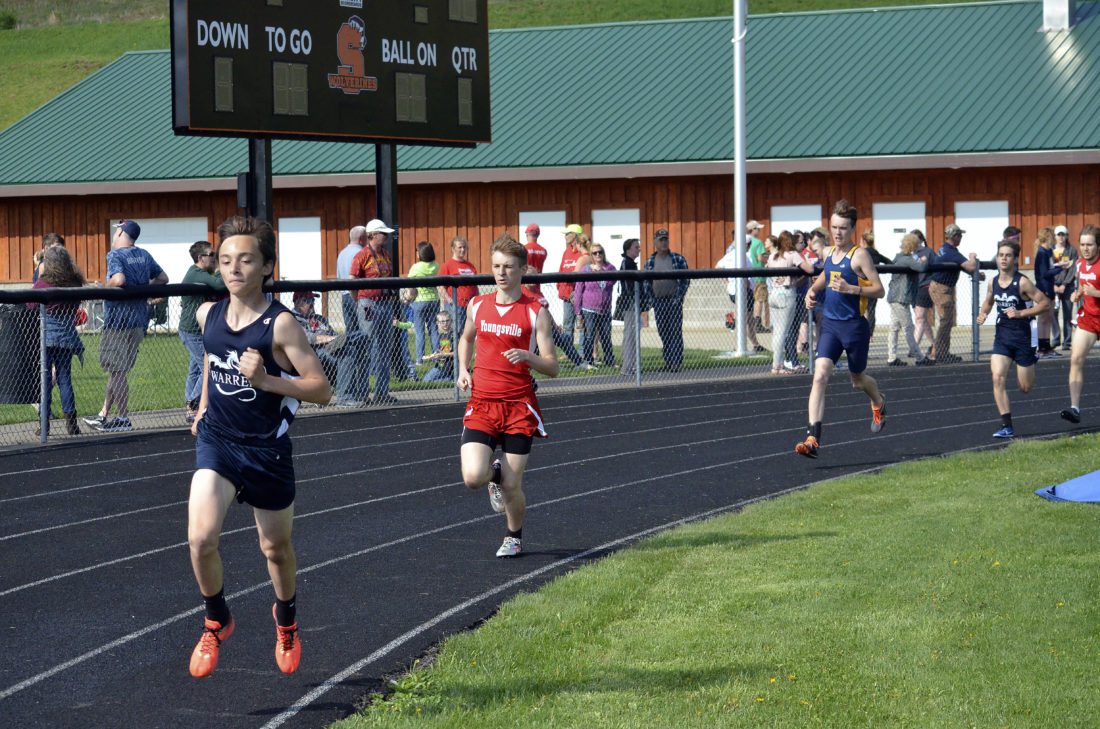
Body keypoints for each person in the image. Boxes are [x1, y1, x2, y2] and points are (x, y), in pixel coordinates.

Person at [185, 216, 331, 679]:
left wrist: (266, 379)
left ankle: (286, 619)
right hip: (219, 443)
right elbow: (211, 358)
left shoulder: (281, 325)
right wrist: (204, 406)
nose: (234, 268)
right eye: (225, 260)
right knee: (201, 537)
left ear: (267, 266)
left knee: (275, 548)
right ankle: (216, 619)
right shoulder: (207, 315)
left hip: (266, 450)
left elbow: (322, 389)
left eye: (246, 260)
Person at [457, 232, 559, 558]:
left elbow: (553, 367)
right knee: (474, 476)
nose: (501, 273)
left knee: (512, 487)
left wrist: (528, 357)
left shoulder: (535, 312)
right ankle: (495, 473)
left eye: (509, 267)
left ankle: (514, 536)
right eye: (497, 266)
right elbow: (466, 338)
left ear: (523, 270)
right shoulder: (478, 304)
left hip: (518, 406)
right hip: (482, 403)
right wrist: (462, 368)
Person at [795, 200, 887, 458]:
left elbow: (880, 289)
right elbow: (826, 274)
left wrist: (854, 289)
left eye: (843, 228)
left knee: (857, 380)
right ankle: (813, 438)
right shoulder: (828, 253)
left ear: (852, 228)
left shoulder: (860, 256)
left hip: (855, 326)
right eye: (834, 227)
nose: (838, 232)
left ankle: (878, 401)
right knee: (820, 375)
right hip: (831, 326)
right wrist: (812, 291)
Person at [84, 219, 168, 433]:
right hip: (139, 321)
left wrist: (105, 286)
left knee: (118, 372)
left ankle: (122, 417)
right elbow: (163, 278)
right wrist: (143, 287)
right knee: (117, 371)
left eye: (116, 232)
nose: (114, 236)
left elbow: (119, 280)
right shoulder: (144, 255)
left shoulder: (115, 255)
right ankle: (104, 414)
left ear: (121, 233)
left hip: (118, 322)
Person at [975, 238, 1049, 438]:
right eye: (1001, 255)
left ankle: (1031, 362)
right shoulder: (993, 282)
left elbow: (1044, 303)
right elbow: (988, 302)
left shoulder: (1023, 282)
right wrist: (983, 314)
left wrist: (1020, 313)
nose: (1003, 259)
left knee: (1025, 388)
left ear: (1015, 259)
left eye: (1008, 255)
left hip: (1024, 338)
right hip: (1003, 338)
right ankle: (1007, 425)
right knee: (997, 377)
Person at [28, 246, 85, 436]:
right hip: (67, 336)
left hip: (46, 338)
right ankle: (71, 424)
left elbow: (30, 304)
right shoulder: (75, 283)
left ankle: (44, 424)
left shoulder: (43, 284)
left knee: (44, 381)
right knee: (64, 379)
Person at [351, 218, 398, 405]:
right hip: (368, 304)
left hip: (385, 304)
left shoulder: (385, 254)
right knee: (366, 347)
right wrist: (359, 302)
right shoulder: (361, 255)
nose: (386, 236)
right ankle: (362, 393)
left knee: (385, 349)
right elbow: (352, 279)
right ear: (373, 235)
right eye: (382, 233)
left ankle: (381, 392)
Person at [180, 241, 227, 424]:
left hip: (197, 330)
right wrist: (220, 269)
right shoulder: (196, 273)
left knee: (195, 369)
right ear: (201, 258)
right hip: (192, 330)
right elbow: (219, 285)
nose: (214, 258)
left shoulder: (202, 273)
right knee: (208, 367)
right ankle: (193, 403)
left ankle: (190, 407)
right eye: (212, 255)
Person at [1061, 225, 1100, 424]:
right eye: (1083, 244)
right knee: (1075, 359)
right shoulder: (1079, 265)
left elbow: (1093, 290)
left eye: (1090, 245)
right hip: (1088, 319)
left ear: (1098, 246)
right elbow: (1081, 287)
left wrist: (1096, 294)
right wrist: (1077, 294)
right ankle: (1074, 408)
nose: (1085, 248)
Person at [927, 223, 979, 365]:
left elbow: (964, 267)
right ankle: (938, 353)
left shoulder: (947, 249)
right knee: (945, 321)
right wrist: (972, 257)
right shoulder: (951, 252)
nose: (961, 238)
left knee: (946, 321)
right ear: (954, 236)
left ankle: (940, 351)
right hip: (942, 289)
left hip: (940, 287)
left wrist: (977, 274)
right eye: (959, 235)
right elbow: (970, 265)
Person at [766, 231, 815, 374]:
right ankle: (777, 366)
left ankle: (777, 363)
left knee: (777, 332)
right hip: (786, 293)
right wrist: (804, 260)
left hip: (774, 292)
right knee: (783, 332)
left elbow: (767, 269)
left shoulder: (772, 256)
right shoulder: (792, 254)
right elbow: (810, 269)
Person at [644, 228, 690, 372]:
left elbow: (685, 280)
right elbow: (646, 282)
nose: (664, 242)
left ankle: (676, 362)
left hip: (674, 301)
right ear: (655, 242)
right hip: (658, 302)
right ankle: (668, 361)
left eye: (666, 240)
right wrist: (651, 299)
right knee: (663, 331)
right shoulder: (650, 261)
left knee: (675, 331)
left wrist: (679, 296)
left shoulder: (678, 258)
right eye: (661, 240)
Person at [335, 225, 369, 407]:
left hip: (343, 296)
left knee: (351, 339)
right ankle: (360, 390)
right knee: (363, 341)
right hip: (357, 297)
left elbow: (340, 275)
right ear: (363, 238)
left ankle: (356, 389)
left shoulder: (341, 253)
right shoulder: (362, 253)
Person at [716, 230, 765, 353]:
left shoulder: (730, 255)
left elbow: (718, 267)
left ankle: (754, 344)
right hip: (743, 290)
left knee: (746, 318)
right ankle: (741, 345)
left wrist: (727, 282)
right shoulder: (744, 256)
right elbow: (750, 276)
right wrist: (750, 285)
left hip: (733, 291)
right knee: (746, 319)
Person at [885, 233, 928, 366]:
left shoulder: (899, 257)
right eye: (917, 244)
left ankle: (892, 358)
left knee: (894, 327)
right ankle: (919, 357)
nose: (920, 246)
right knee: (908, 327)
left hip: (894, 297)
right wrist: (924, 260)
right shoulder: (907, 259)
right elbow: (921, 267)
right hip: (900, 298)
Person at [573, 243, 617, 368]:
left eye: (600, 252)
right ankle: (588, 361)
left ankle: (609, 361)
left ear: (604, 253)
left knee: (606, 335)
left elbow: (612, 282)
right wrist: (578, 312)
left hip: (605, 309)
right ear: (591, 255)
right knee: (589, 335)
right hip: (588, 309)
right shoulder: (585, 270)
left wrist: (602, 271)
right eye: (595, 253)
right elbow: (578, 291)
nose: (598, 255)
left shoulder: (610, 268)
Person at [290, 291, 339, 385]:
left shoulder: (319, 319)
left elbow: (333, 333)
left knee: (352, 349)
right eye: (307, 300)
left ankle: (356, 394)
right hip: (311, 352)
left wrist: (335, 338)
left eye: (312, 300)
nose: (311, 303)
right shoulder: (291, 318)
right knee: (337, 357)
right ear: (297, 302)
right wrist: (331, 339)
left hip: (332, 348)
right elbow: (308, 338)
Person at [438, 235, 479, 336]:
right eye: (460, 247)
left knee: (468, 333)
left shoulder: (470, 265)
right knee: (456, 332)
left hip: (470, 305)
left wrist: (478, 299)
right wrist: (449, 300)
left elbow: (475, 285)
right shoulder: (447, 265)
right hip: (456, 305)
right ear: (453, 249)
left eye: (464, 247)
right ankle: (455, 351)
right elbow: (440, 286)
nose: (463, 249)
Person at [407, 241, 440, 364]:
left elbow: (410, 287)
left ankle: (419, 359)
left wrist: (408, 298)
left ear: (420, 253)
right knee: (434, 330)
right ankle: (437, 356)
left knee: (420, 331)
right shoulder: (435, 266)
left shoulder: (416, 267)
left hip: (420, 301)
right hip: (434, 300)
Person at [1033, 226, 1064, 358]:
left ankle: (1046, 346)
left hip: (1049, 288)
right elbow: (1044, 273)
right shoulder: (1041, 253)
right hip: (1044, 289)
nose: (1055, 239)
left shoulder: (1049, 251)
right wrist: (1059, 269)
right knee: (1043, 319)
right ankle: (1042, 347)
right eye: (1054, 236)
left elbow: (1056, 263)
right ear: (1049, 237)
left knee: (1048, 318)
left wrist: (1061, 262)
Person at [555, 224, 585, 346]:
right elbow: (561, 269)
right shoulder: (566, 252)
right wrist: (559, 286)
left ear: (575, 235)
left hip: (580, 294)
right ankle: (569, 352)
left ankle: (585, 353)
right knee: (567, 324)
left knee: (582, 324)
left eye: (568, 234)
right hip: (567, 294)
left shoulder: (583, 253)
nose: (566, 236)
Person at [911, 229, 936, 365]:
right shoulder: (909, 253)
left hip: (925, 287)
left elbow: (936, 266)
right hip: (914, 288)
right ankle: (935, 344)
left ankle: (914, 347)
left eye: (915, 239)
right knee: (923, 319)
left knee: (919, 318)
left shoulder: (929, 252)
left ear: (920, 240)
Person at [859, 230, 890, 335]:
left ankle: (862, 331)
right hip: (873, 285)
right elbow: (890, 262)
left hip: (862, 285)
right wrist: (879, 271)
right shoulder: (876, 253)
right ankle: (870, 333)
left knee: (861, 309)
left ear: (863, 241)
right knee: (871, 310)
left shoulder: (861, 253)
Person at [618, 238, 642, 376]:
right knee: (630, 335)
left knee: (633, 335)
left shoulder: (632, 263)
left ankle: (632, 364)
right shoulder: (626, 263)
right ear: (628, 249)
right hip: (630, 304)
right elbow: (627, 285)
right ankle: (627, 366)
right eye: (636, 247)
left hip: (635, 303)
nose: (638, 249)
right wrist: (633, 296)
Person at [1051, 225, 1077, 350]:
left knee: (1067, 315)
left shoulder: (1072, 250)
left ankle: (1067, 342)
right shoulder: (1049, 250)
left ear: (1066, 236)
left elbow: (1073, 270)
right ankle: (1056, 339)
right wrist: (1053, 285)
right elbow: (1046, 269)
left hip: (1068, 287)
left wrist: (1064, 284)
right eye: (1059, 234)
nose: (1061, 237)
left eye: (1063, 234)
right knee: (1053, 313)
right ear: (1055, 236)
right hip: (1053, 287)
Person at [746, 220, 768, 333]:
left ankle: (750, 323)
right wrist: (768, 260)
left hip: (749, 276)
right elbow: (760, 258)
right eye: (757, 229)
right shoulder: (758, 243)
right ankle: (757, 323)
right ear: (753, 230)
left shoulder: (744, 241)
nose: (759, 231)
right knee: (759, 300)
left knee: (751, 301)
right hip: (759, 275)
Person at [422, 310, 455, 382]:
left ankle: (450, 379)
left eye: (447, 321)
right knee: (426, 380)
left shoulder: (454, 335)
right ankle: (449, 379)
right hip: (440, 365)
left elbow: (458, 353)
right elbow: (441, 351)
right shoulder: (441, 336)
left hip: (448, 365)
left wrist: (444, 354)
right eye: (442, 322)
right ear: (438, 323)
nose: (445, 323)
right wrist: (432, 356)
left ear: (451, 321)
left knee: (426, 381)